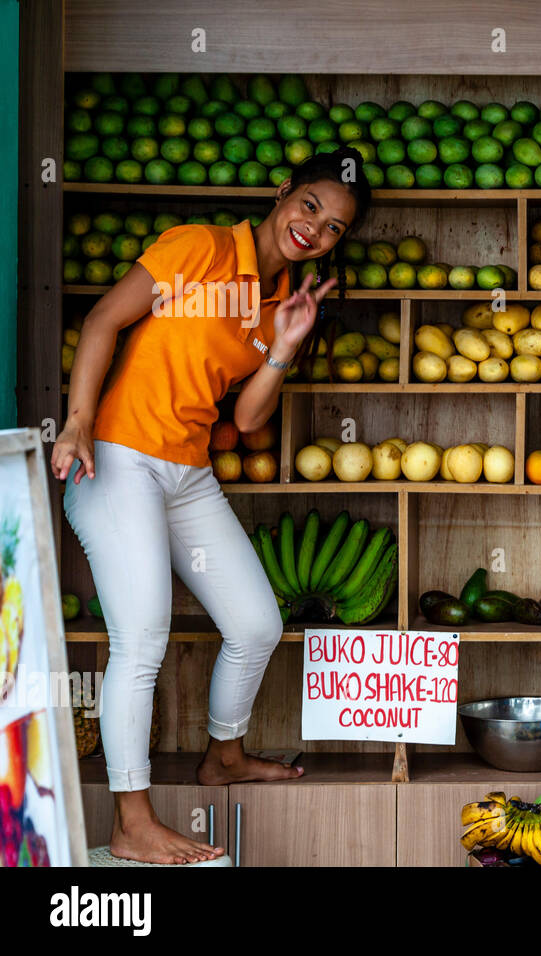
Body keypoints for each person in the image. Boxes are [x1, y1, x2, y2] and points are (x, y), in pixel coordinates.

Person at [50, 148, 370, 864]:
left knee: (257, 622)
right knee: (142, 639)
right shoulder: (197, 247)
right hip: (118, 458)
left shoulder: (280, 299)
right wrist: (77, 421)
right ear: (283, 192)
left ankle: (222, 756)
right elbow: (103, 319)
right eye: (310, 206)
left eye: (334, 228)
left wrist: (285, 345)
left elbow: (251, 418)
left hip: (185, 474)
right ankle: (131, 821)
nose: (314, 229)